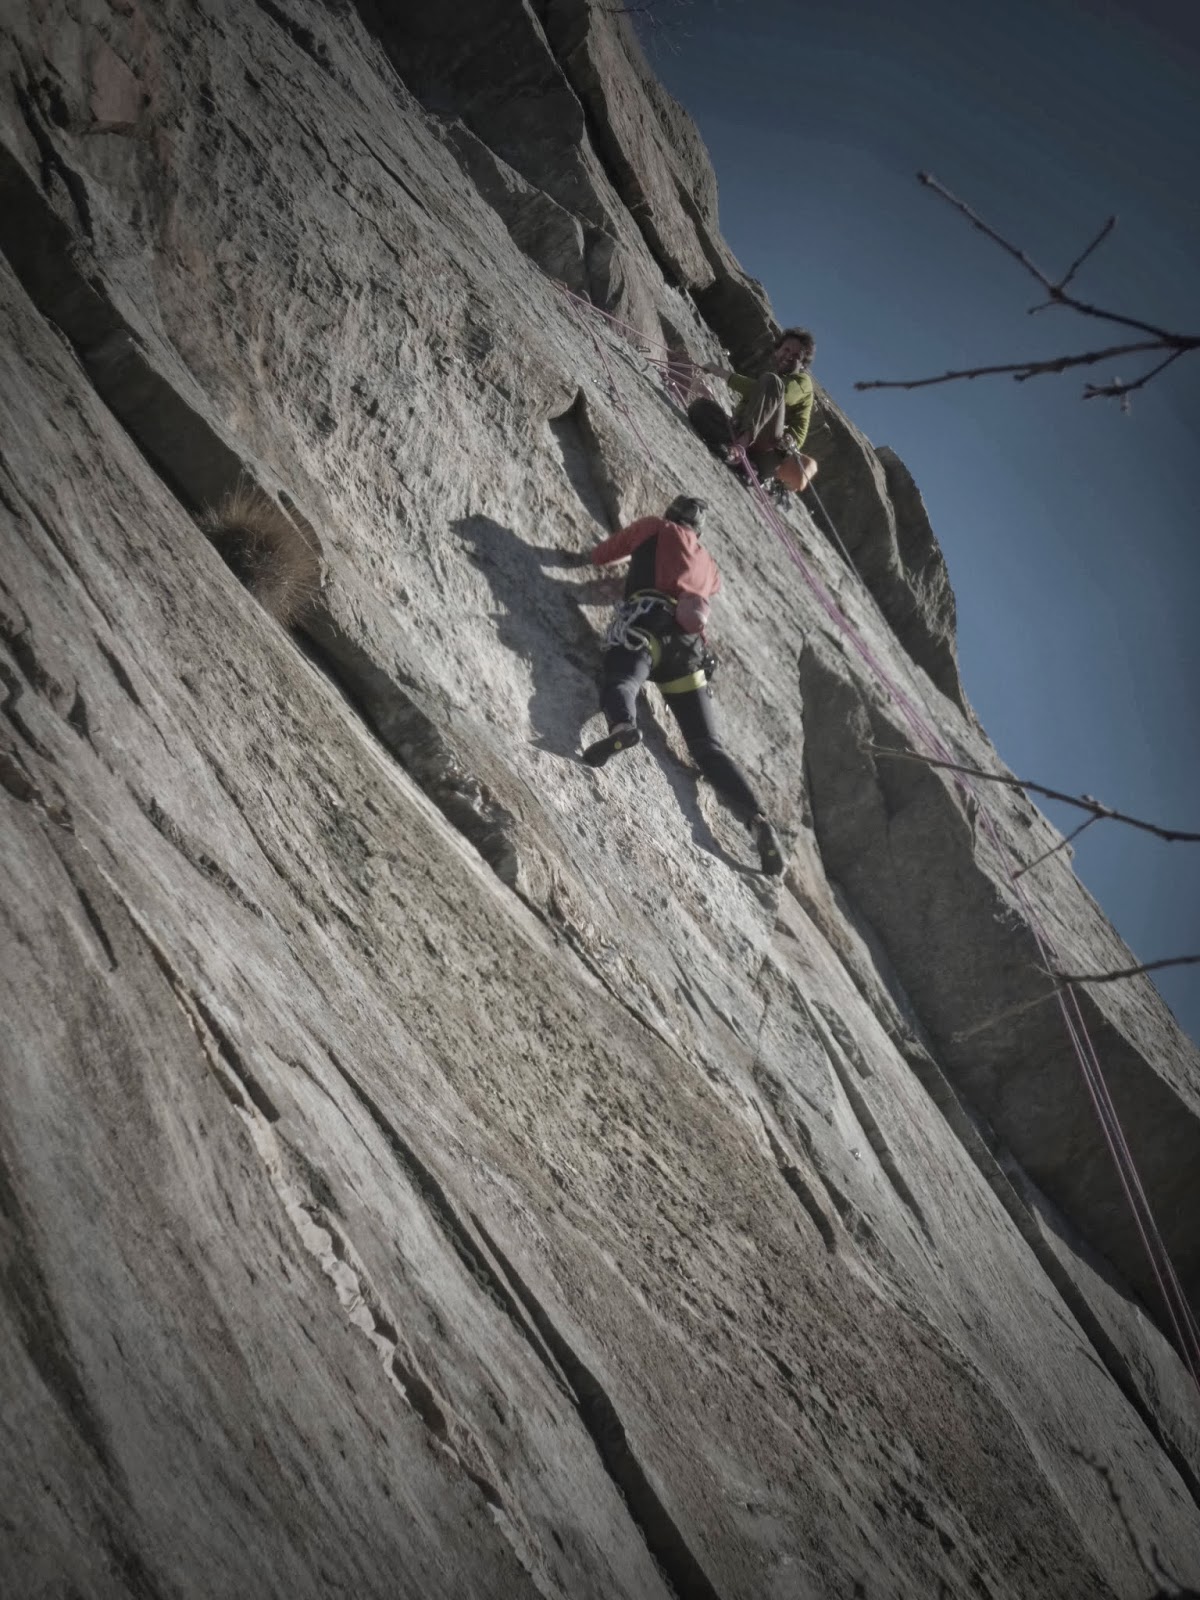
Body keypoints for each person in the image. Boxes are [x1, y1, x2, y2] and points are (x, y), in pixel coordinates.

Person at [579, 494, 784, 876]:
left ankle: (624, 727)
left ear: (671, 514)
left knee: (623, 681)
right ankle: (758, 821)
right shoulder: (710, 566)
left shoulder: (654, 528)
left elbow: (603, 554)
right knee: (708, 747)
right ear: (700, 531)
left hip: (646, 628)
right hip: (689, 653)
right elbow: (702, 589)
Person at [687, 327, 818, 493]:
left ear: (802, 363)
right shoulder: (770, 381)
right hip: (745, 438)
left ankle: (739, 450)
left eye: (796, 356)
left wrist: (721, 373)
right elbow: (753, 401)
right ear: (777, 351)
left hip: (770, 451)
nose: (789, 356)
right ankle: (744, 463)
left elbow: (781, 394)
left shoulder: (802, 382)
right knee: (700, 407)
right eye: (786, 350)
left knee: (772, 382)